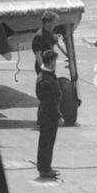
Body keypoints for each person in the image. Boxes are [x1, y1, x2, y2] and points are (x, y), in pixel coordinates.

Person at [36, 48, 62, 181]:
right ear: (51, 62)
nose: (55, 63)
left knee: (45, 142)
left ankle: (45, 167)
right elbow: (50, 102)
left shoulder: (44, 75)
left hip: (45, 114)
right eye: (55, 61)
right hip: (49, 116)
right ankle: (45, 169)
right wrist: (58, 116)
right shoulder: (46, 79)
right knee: (47, 143)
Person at [31, 10, 66, 75]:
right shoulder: (39, 36)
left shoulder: (50, 32)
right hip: (43, 67)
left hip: (50, 65)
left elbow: (55, 45)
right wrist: (43, 68)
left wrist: (68, 56)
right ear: (47, 23)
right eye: (53, 23)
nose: (55, 25)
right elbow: (38, 55)